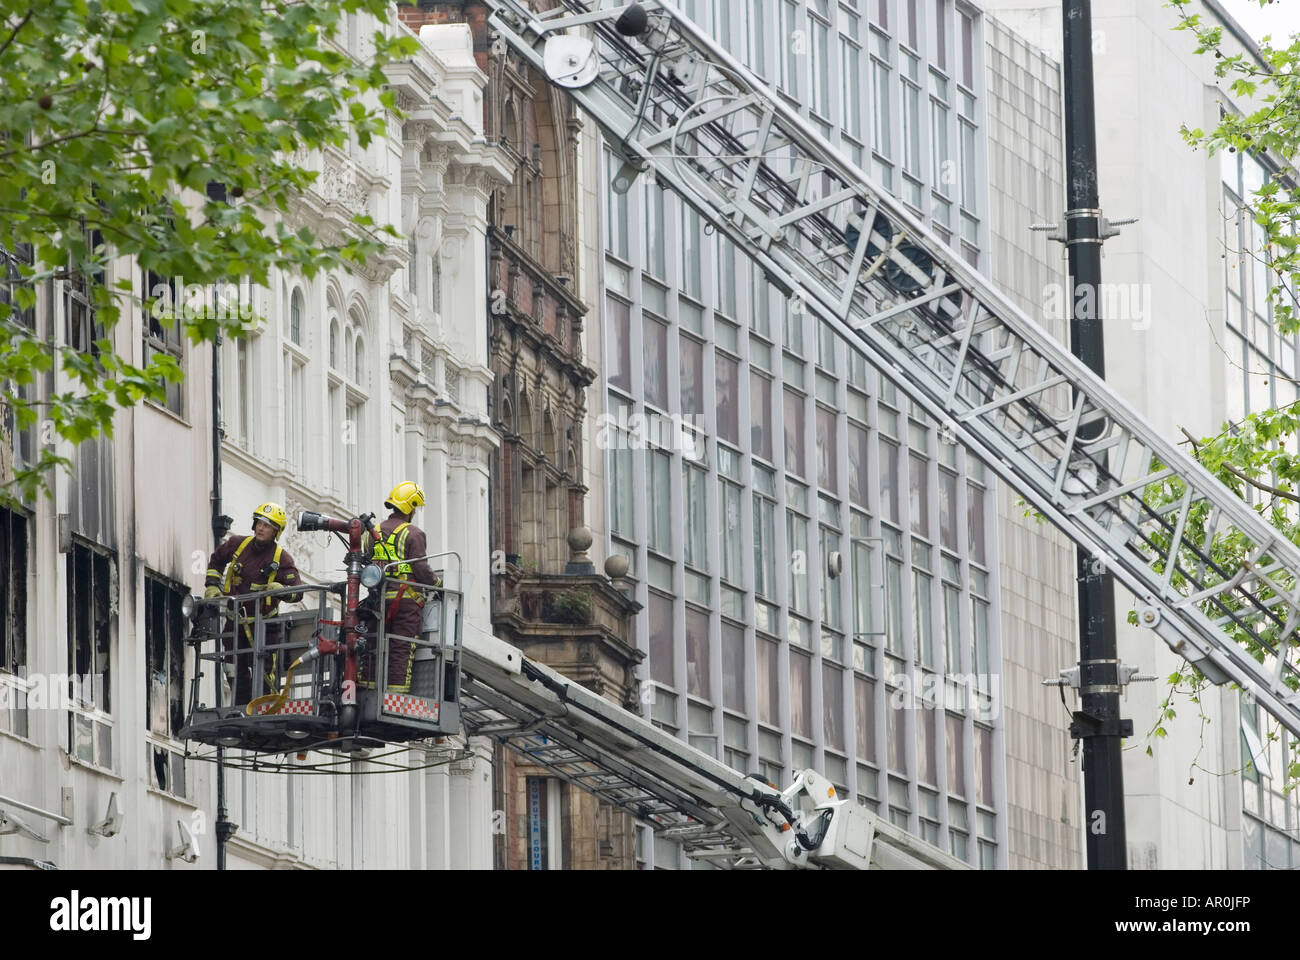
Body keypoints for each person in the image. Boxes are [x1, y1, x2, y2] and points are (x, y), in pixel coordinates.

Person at [205, 502, 303, 704]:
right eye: (259, 522)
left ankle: (267, 707)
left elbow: (298, 593)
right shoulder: (237, 545)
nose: (261, 528)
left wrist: (282, 591)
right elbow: (216, 561)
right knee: (234, 669)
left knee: (266, 672)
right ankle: (240, 707)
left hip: (266, 627)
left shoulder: (282, 559)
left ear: (276, 531)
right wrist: (212, 585)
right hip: (235, 624)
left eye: (267, 525)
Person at [360, 481, 437, 693]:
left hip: (376, 600)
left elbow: (366, 564)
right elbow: (420, 569)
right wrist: (437, 585)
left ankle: (367, 690)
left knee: (372, 645)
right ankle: (396, 697)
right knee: (401, 647)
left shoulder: (371, 533)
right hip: (405, 601)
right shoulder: (414, 534)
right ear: (410, 508)